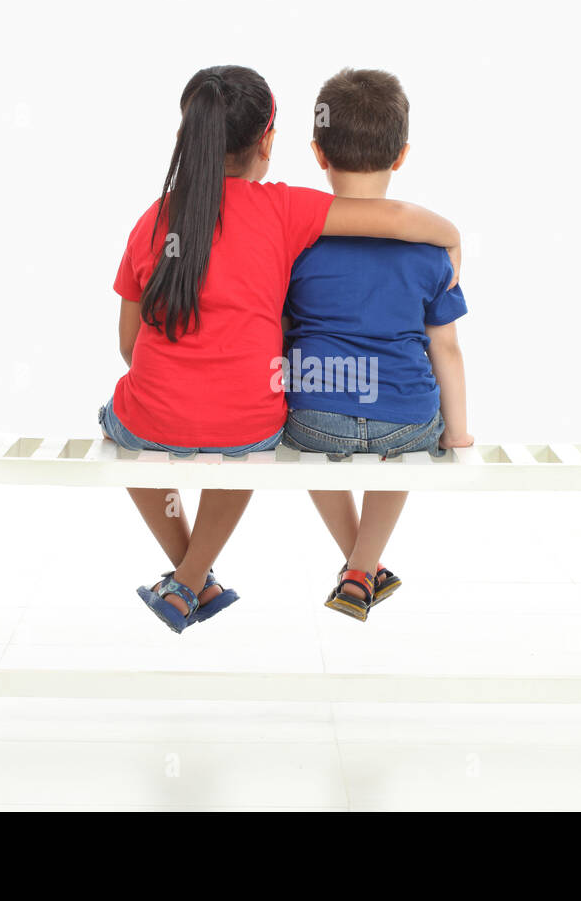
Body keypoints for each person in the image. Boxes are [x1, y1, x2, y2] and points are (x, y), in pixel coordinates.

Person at [102, 64, 462, 633]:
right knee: (246, 445)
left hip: (156, 414)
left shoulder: (151, 222)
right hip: (252, 421)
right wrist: (454, 237)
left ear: (185, 136)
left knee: (121, 433)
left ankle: (190, 577)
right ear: (268, 140)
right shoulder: (284, 209)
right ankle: (201, 577)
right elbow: (391, 218)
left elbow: (128, 346)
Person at [281, 68, 472, 621]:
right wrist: (456, 432)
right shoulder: (431, 250)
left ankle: (358, 568)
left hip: (315, 414)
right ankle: (362, 568)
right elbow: (448, 350)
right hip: (406, 420)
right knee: (405, 453)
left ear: (318, 153)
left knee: (316, 447)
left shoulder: (297, 242)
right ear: (402, 155)